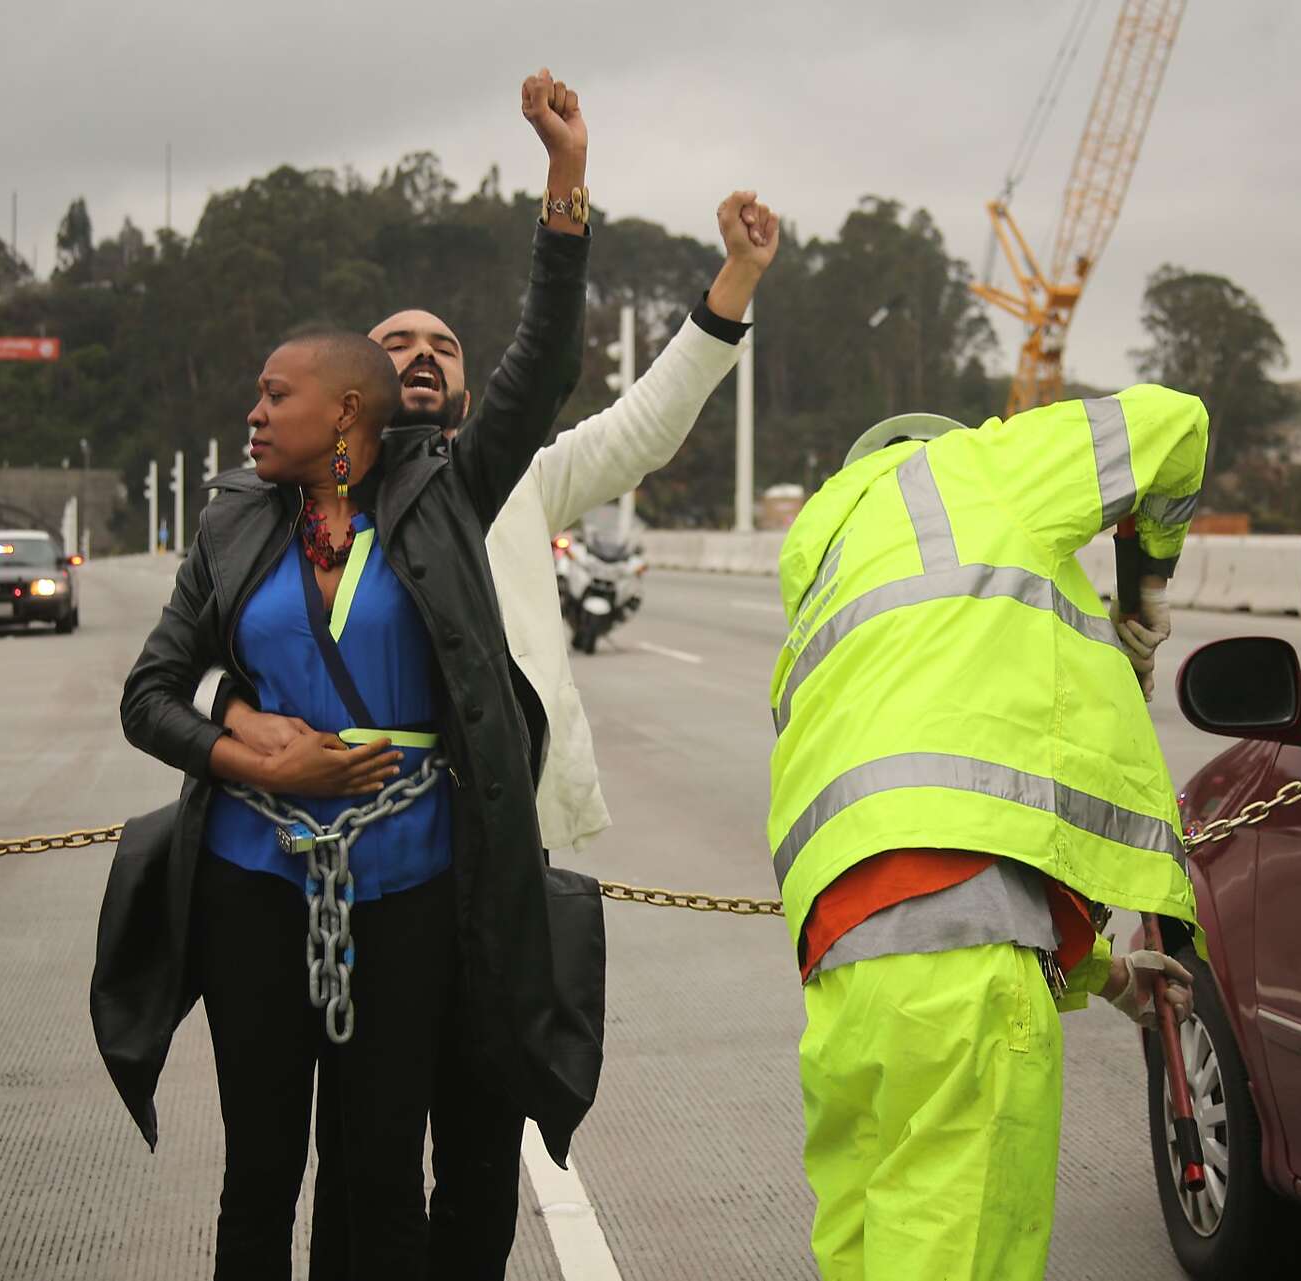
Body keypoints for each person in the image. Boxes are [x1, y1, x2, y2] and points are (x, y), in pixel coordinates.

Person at [212, 189, 783, 1276]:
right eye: (395, 344)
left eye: (444, 346)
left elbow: (649, 417)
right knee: (361, 1166)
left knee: (480, 1161)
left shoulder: (518, 474)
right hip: (354, 878)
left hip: (495, 875)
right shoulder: (293, 511)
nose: (421, 354)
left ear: (474, 389)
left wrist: (737, 281)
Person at [100, 69, 595, 1279]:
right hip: (247, 888)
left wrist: (565, 184)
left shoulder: (443, 495)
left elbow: (536, 371)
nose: (254, 412)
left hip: (415, 889)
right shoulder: (231, 521)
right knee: (260, 1171)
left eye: (278, 394)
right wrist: (246, 743)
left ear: (349, 412)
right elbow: (148, 692)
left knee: (377, 1171)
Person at [766, 389, 1210, 1279]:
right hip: (961, 973)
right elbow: (1177, 425)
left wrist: (1108, 973)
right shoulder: (982, 470)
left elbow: (936, 844)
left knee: (874, 1253)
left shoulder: (823, 598)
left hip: (849, 989)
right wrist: (1143, 586)